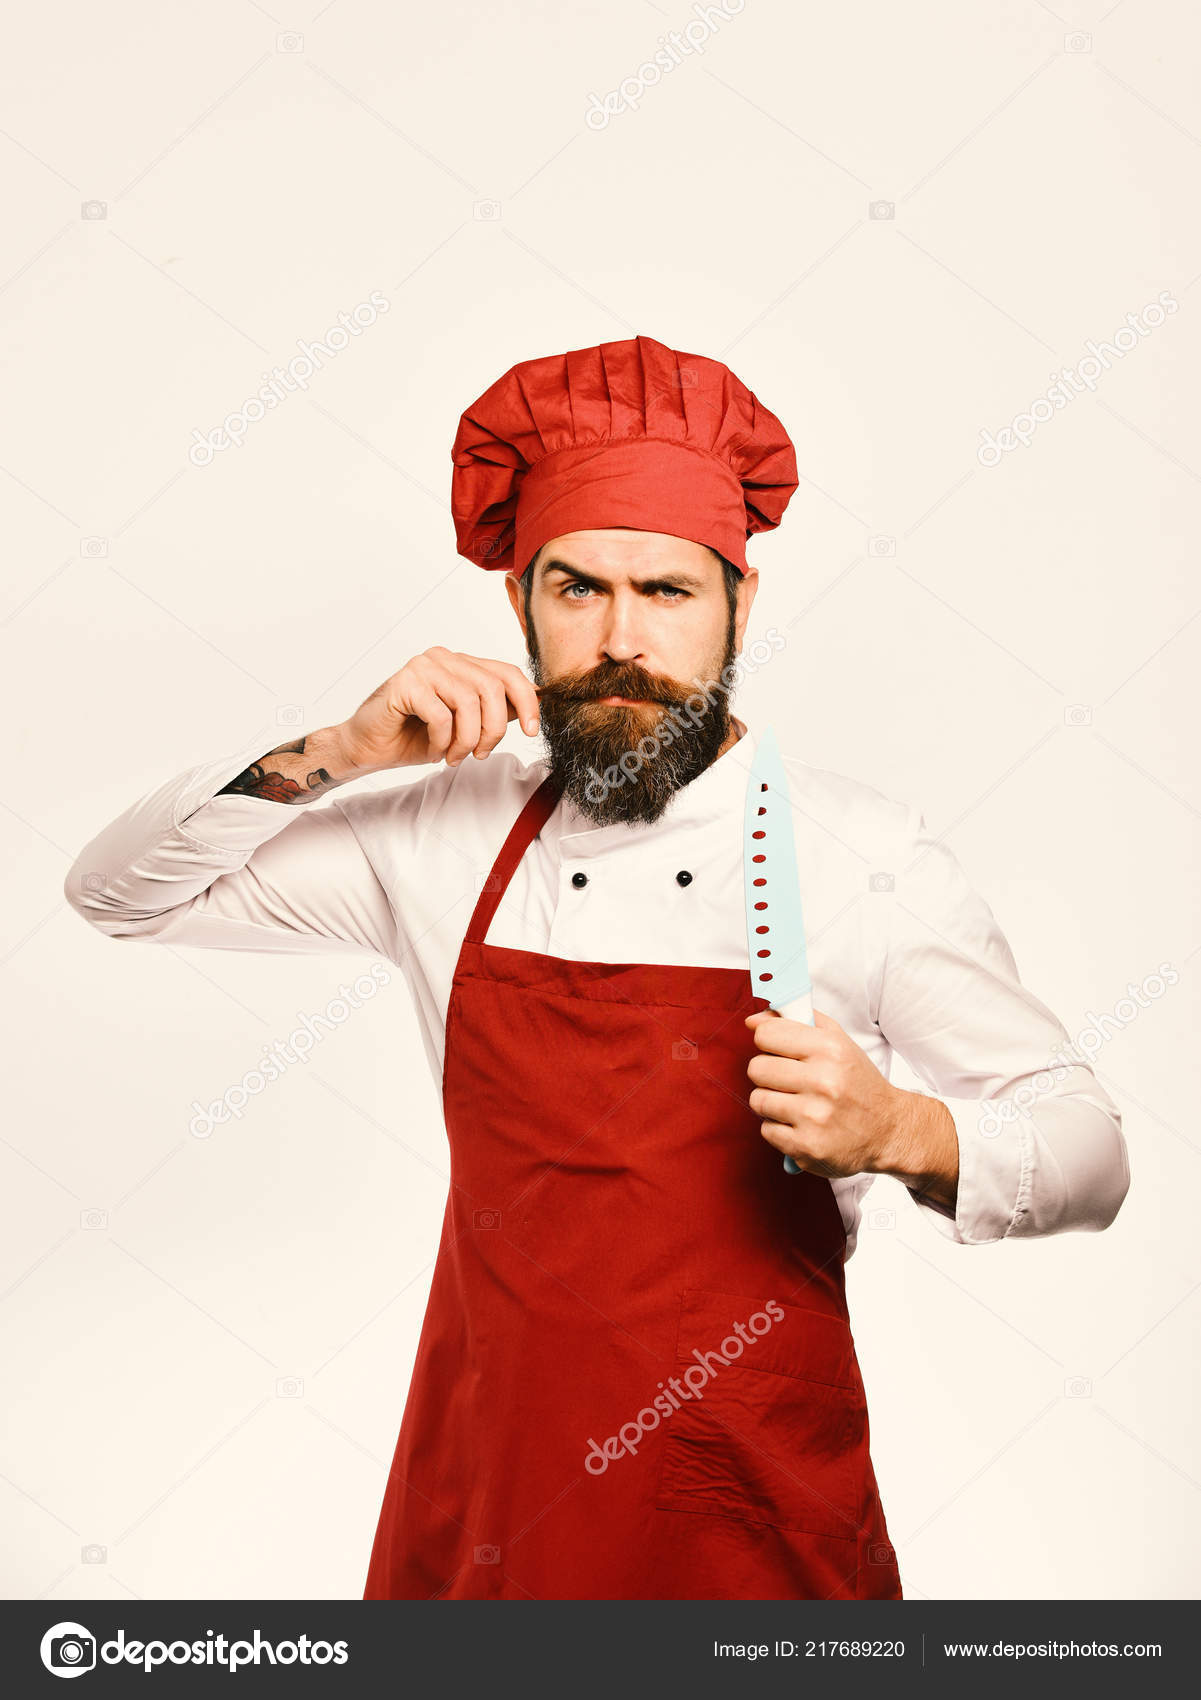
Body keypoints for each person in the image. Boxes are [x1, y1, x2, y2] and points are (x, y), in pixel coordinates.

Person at [65, 334, 1129, 1601]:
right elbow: (117, 892)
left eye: (668, 592)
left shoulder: (857, 852)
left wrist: (906, 1126)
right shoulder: (443, 829)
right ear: (521, 603)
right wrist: (343, 748)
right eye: (578, 589)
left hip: (755, 1516)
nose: (622, 639)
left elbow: (1090, 1151)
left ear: (740, 604)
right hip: (488, 1499)